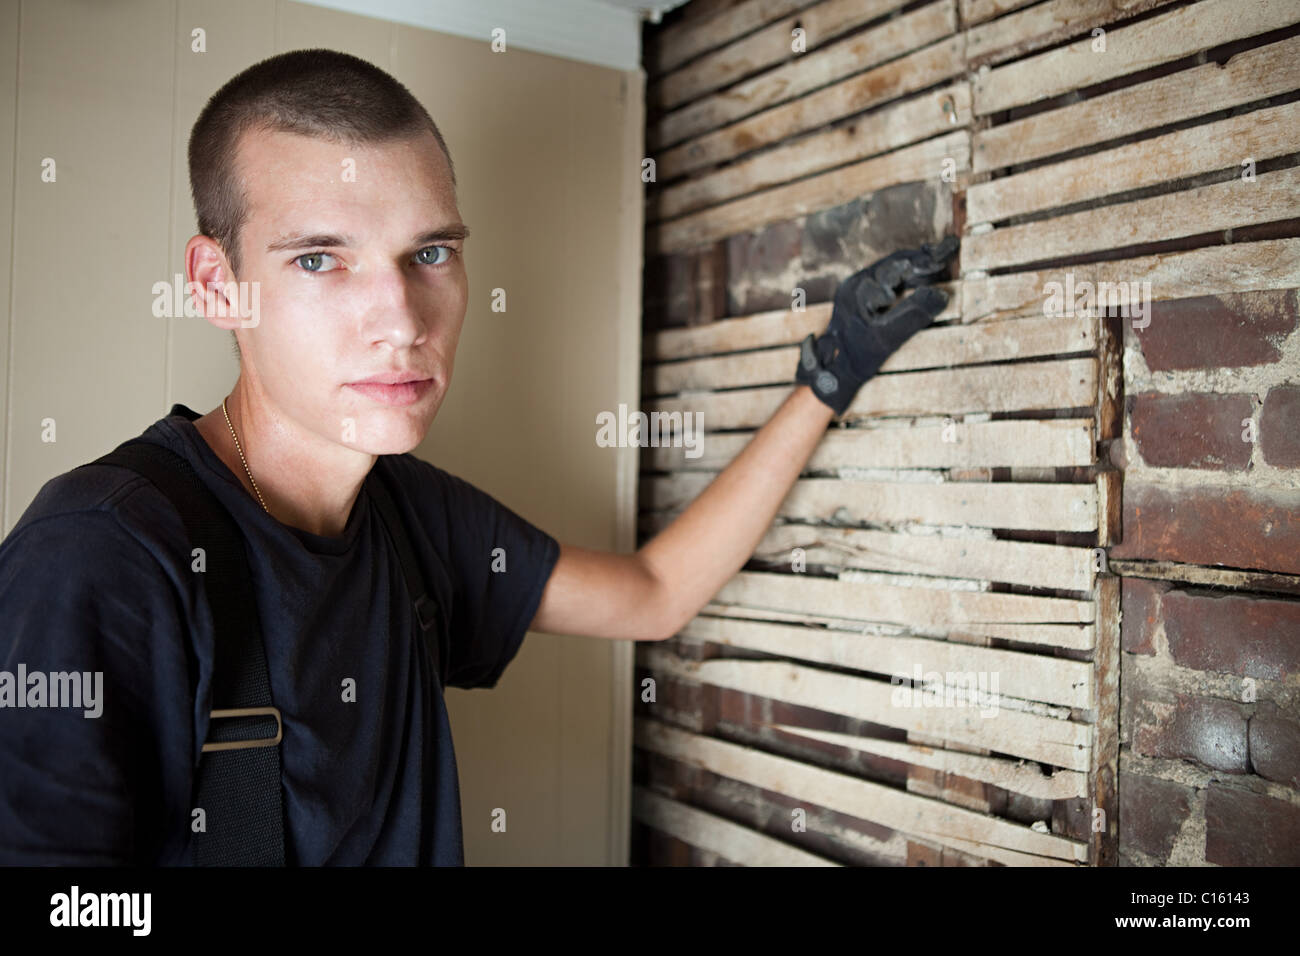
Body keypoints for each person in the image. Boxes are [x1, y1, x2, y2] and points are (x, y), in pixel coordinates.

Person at [0, 49, 956, 865]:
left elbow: (657, 592)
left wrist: (831, 372)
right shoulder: (106, 555)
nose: (402, 323)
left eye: (429, 255)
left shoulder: (415, 521)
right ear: (217, 286)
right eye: (320, 260)